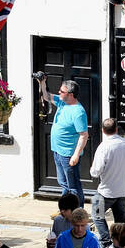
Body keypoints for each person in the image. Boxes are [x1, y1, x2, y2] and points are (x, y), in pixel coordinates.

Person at [36, 75, 89, 205]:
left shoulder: (78, 112)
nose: (59, 92)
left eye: (62, 91)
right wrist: (42, 83)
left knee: (73, 186)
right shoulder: (62, 102)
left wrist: (76, 155)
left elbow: (83, 135)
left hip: (68, 154)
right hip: (58, 151)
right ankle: (66, 209)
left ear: (70, 94)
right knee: (63, 184)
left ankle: (78, 212)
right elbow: (46, 96)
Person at [90, 119, 125, 247]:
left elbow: (96, 171)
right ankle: (121, 244)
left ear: (102, 130)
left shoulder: (104, 147)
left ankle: (106, 242)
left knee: (96, 215)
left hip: (106, 190)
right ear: (116, 129)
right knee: (120, 220)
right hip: (122, 189)